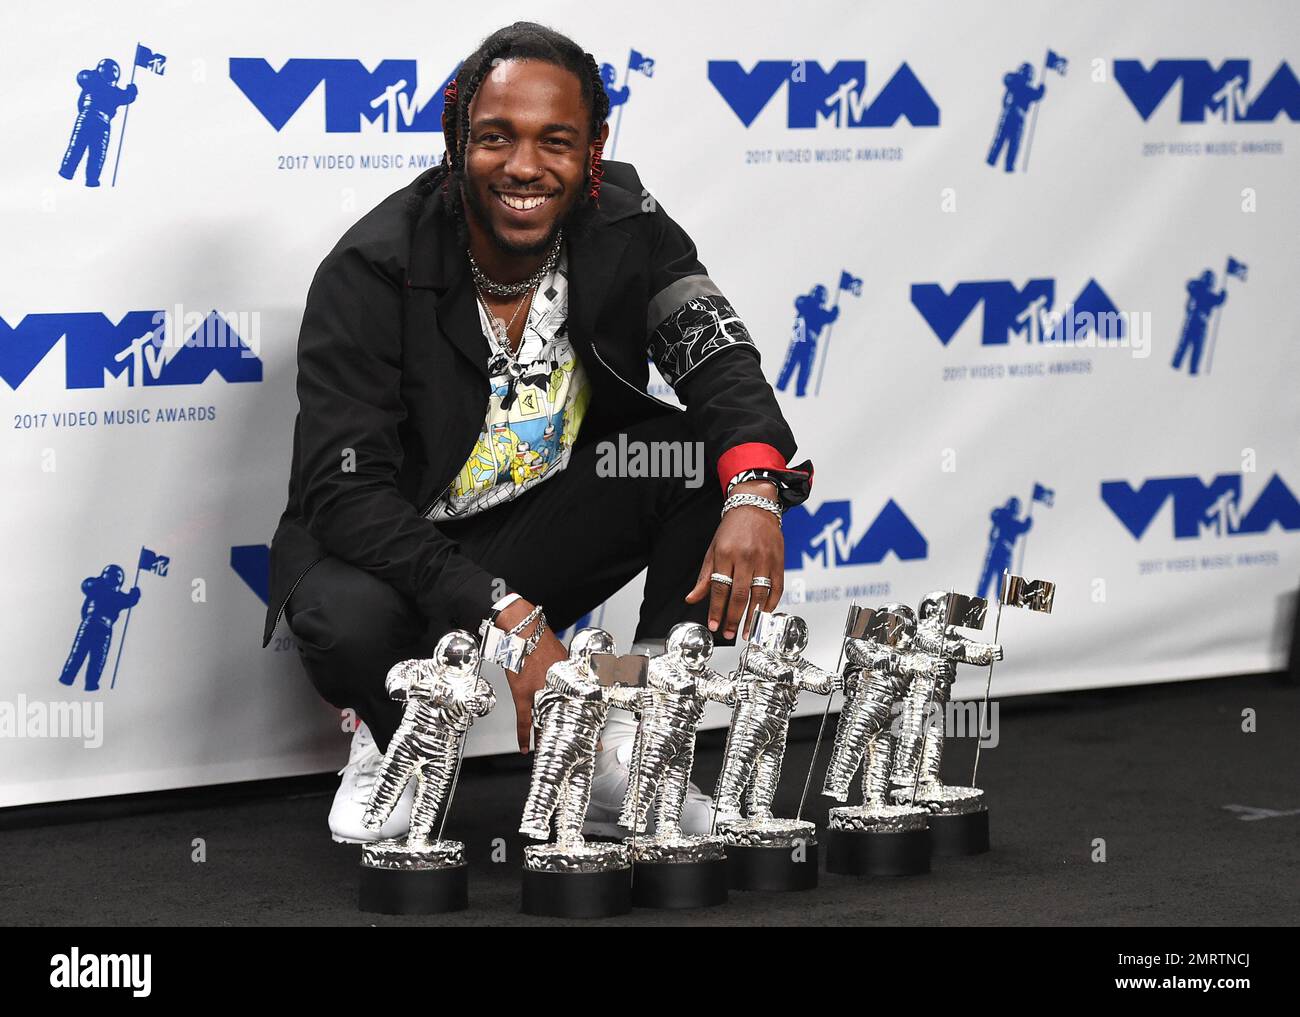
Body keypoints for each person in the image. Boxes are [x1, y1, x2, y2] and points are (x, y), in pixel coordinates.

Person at [261, 23, 813, 844]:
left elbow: (715, 355)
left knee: (702, 461)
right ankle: (390, 739)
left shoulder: (627, 222)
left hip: (532, 524)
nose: (524, 166)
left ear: (592, 149)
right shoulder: (373, 266)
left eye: (555, 140)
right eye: (496, 138)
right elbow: (343, 493)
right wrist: (509, 617)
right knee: (345, 617)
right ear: (457, 144)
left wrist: (757, 489)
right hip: (392, 553)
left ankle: (629, 739)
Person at [57, 565, 140, 692]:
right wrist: (134, 595)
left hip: (100, 626)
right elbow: (86, 585)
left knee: (93, 657)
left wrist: (134, 595)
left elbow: (129, 600)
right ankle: (76, 680)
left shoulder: (107, 591)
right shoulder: (98, 587)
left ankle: (78, 681)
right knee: (87, 655)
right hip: (95, 624)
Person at [58, 59, 138, 187]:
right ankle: (88, 178)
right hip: (98, 121)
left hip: (90, 118)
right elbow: (127, 96)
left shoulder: (93, 81)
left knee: (82, 148)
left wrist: (131, 92)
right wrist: (132, 90)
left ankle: (70, 172)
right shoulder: (98, 83)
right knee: (95, 153)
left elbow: (127, 97)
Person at [775, 284, 840, 398]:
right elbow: (799, 302)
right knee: (793, 361)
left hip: (809, 338)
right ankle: (784, 385)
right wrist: (833, 312)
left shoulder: (819, 311)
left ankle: (799, 389)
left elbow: (829, 317)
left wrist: (835, 312)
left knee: (805, 365)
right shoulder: (807, 303)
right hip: (801, 333)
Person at [986, 63, 1044, 173]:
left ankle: (994, 161)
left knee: (1002, 139)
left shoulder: (1014, 82)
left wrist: (1040, 91)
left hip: (1008, 113)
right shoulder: (1021, 85)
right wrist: (1041, 89)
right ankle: (1007, 165)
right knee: (1013, 142)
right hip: (1017, 116)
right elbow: (1036, 95)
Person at [1171, 270, 1226, 376]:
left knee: (1196, 348)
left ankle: (1191, 370)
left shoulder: (1208, 295)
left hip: (1200, 323)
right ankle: (1181, 367)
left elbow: (1218, 300)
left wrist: (1223, 295)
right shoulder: (1197, 289)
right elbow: (1189, 285)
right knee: (1186, 346)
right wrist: (1222, 296)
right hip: (1193, 321)